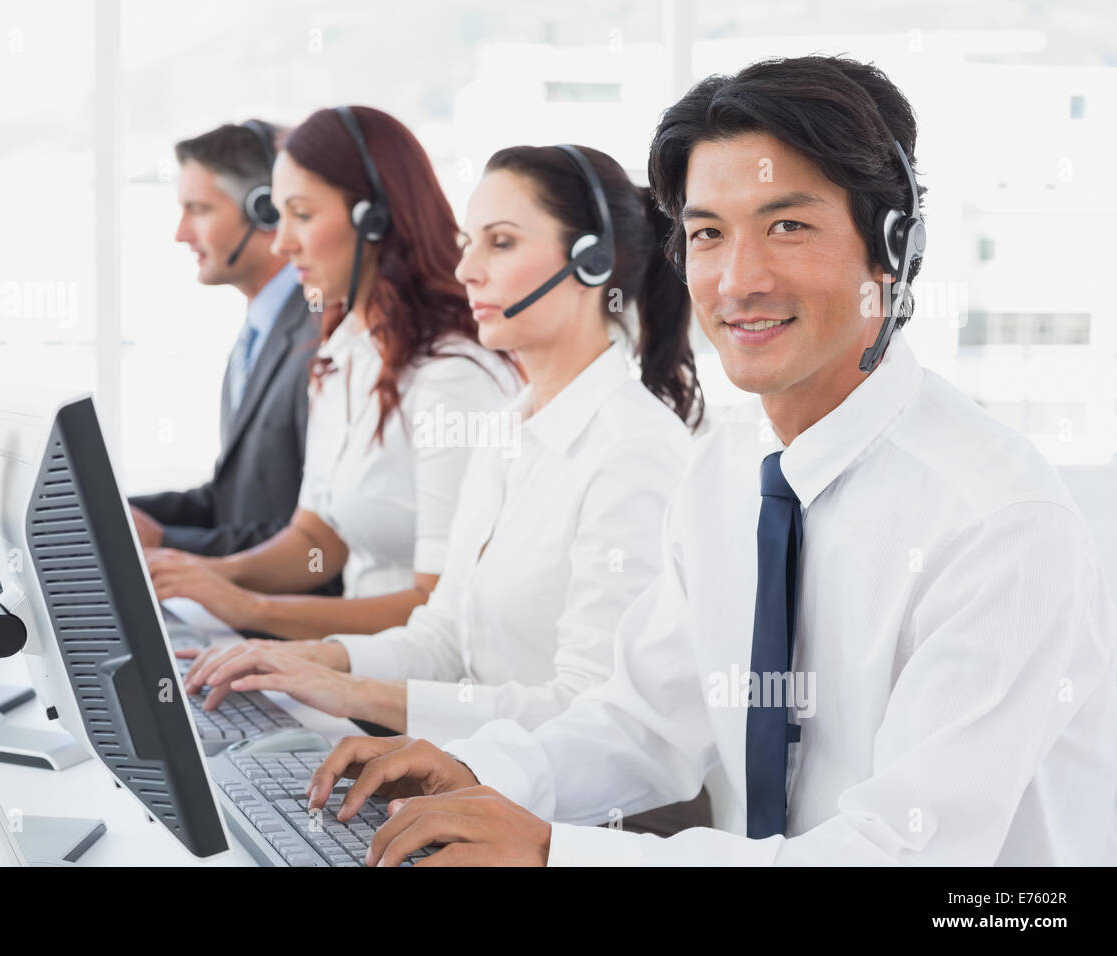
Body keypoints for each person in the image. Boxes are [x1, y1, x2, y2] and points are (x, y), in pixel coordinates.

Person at [303, 55, 1117, 866]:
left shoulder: (1000, 526)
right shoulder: (728, 467)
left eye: (788, 226)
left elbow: (891, 854)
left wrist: (554, 852)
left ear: (894, 249)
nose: (739, 279)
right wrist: (477, 772)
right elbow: (645, 719)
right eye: (707, 235)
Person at [178, 144, 704, 748]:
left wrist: (354, 694)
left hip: (587, 819)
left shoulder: (634, 451)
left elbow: (586, 713)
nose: (466, 271)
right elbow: (444, 636)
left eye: (500, 243)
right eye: (467, 244)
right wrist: (305, 662)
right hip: (484, 776)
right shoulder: (510, 429)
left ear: (592, 261)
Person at [148, 106, 520, 642]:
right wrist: (200, 575)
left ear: (374, 219)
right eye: (280, 215)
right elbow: (317, 543)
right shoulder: (342, 355)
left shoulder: (451, 380)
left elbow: (441, 607)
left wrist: (251, 609)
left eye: (301, 214)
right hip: (355, 671)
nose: (281, 242)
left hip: (415, 698)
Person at [129, 120, 324, 563]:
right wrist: (111, 515)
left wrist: (167, 544)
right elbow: (233, 501)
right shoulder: (261, 331)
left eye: (198, 209)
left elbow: (318, 541)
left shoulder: (320, 336)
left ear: (266, 211)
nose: (180, 233)